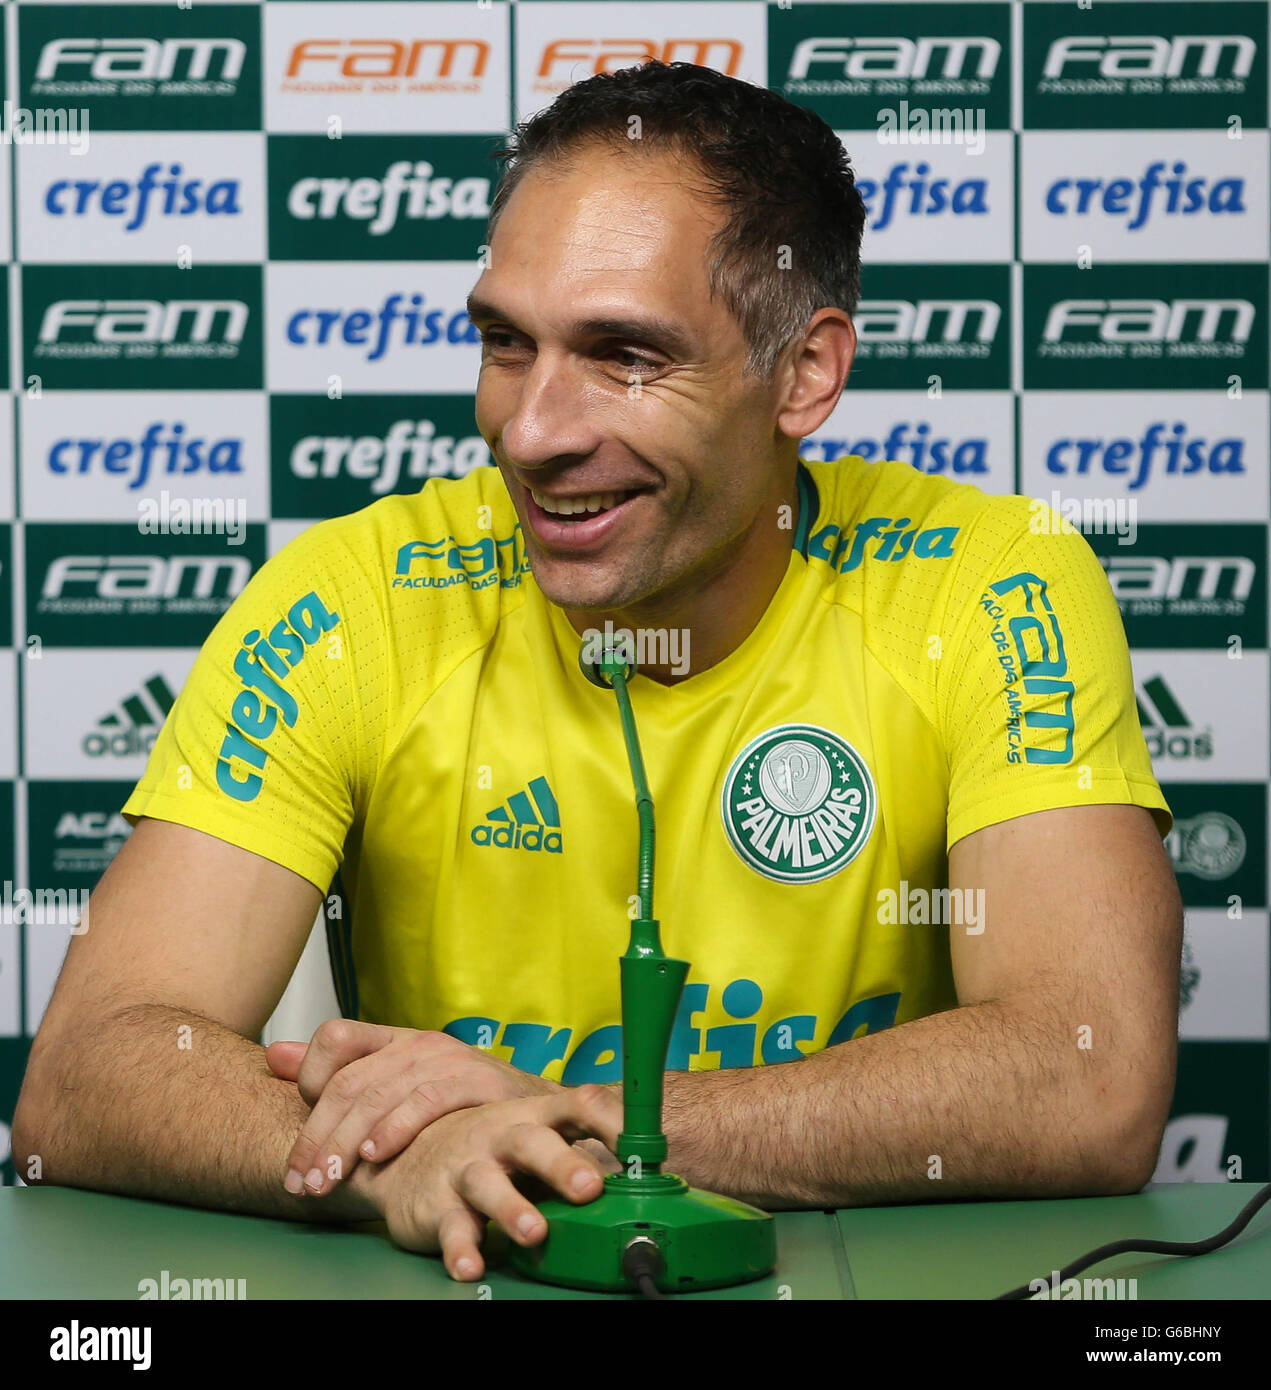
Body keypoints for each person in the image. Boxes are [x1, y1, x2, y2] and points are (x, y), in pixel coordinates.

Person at [14, 61, 1181, 1284]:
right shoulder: (353, 595)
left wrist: (561, 1119)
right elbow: (90, 1067)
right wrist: (393, 1156)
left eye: (623, 354)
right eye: (506, 342)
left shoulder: (987, 581)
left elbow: (1085, 1070)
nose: (531, 429)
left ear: (803, 374)